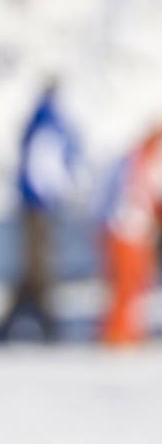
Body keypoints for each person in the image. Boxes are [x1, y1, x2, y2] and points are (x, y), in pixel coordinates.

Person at [0, 80, 79, 340]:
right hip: (39, 205)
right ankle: (43, 321)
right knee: (39, 264)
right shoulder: (49, 120)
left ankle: (19, 320)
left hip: (34, 202)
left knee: (34, 263)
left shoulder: (39, 117)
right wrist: (54, 193)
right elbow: (43, 163)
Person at [98, 125, 162, 344]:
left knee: (136, 285)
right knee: (125, 285)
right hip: (128, 230)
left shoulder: (138, 162)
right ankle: (118, 333)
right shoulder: (140, 163)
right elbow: (142, 197)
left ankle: (130, 331)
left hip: (134, 230)